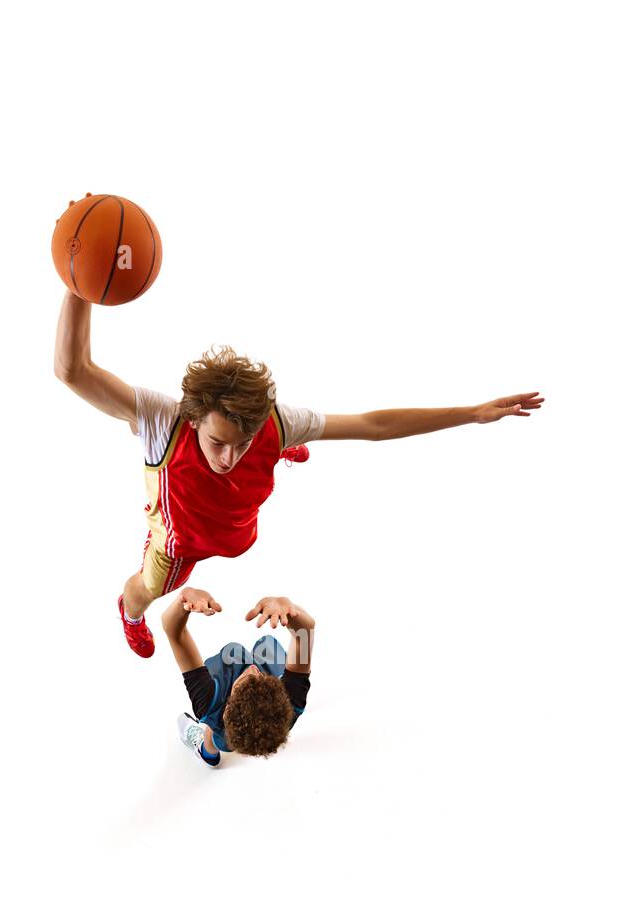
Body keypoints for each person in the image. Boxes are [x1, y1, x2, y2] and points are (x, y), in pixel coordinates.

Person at [53, 290, 544, 656]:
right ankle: (126, 611)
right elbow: (74, 370)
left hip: (240, 525)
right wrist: (81, 281)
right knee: (147, 590)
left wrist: (472, 413)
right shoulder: (164, 419)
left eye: (243, 444)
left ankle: (277, 453)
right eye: (217, 443)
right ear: (195, 418)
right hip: (181, 538)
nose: (228, 458)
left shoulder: (279, 420)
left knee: (266, 459)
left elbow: (374, 426)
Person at [160, 589, 315, 766]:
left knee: (215, 730)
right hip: (272, 684)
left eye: (243, 684)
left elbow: (174, 631)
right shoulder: (292, 700)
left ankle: (206, 752)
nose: (252, 669)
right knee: (275, 651)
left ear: (227, 710)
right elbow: (305, 631)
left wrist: (184, 600)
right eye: (261, 678)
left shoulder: (208, 701)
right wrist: (289, 610)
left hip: (221, 719)